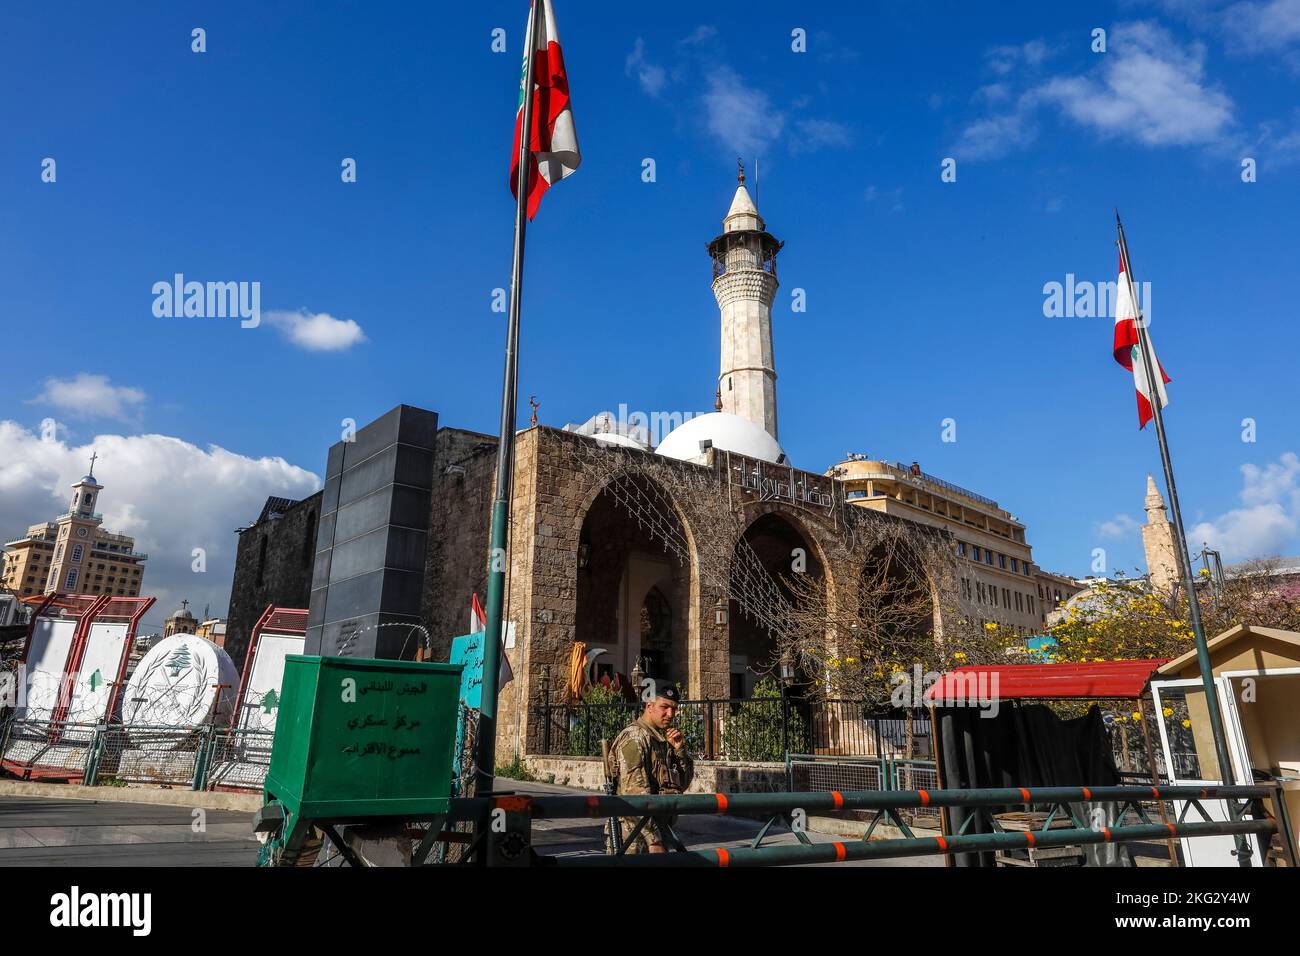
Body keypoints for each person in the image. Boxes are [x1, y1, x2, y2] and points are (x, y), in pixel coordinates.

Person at [603, 679, 694, 854]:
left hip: (658, 829)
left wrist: (680, 751)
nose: (670, 713)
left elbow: (681, 784)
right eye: (664, 707)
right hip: (635, 838)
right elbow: (634, 794)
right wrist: (654, 840)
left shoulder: (660, 740)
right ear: (649, 706)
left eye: (674, 708)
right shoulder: (635, 738)